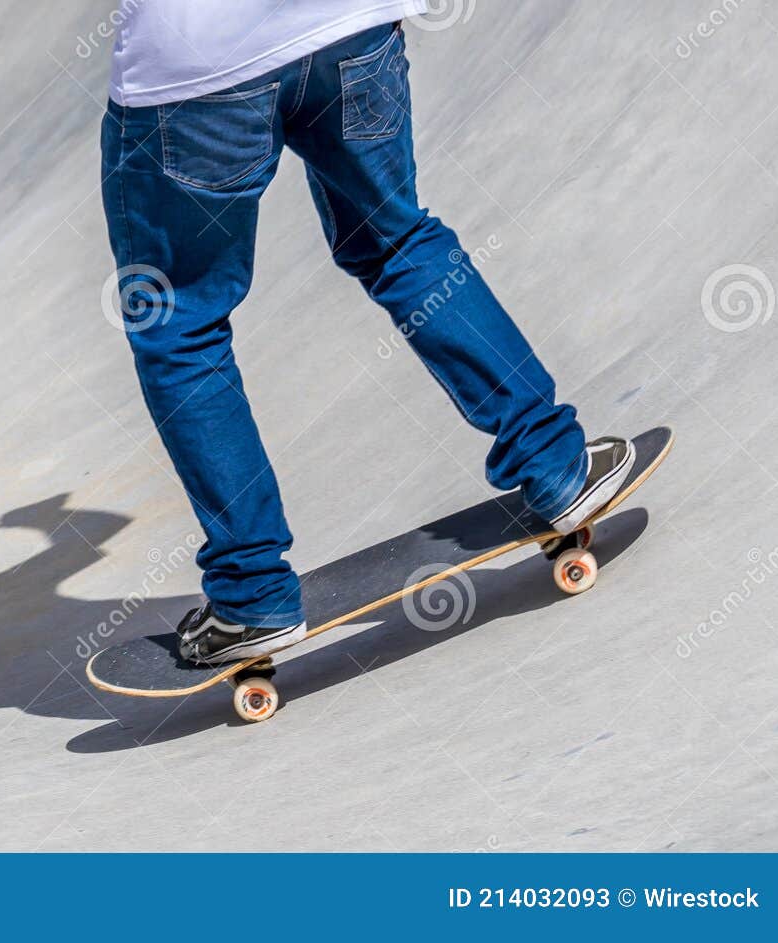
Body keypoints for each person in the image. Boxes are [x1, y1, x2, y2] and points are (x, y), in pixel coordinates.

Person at [100, 1, 633, 665]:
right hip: (349, 28)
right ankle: (558, 466)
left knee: (179, 325)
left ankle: (251, 595)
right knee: (398, 241)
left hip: (196, 71)